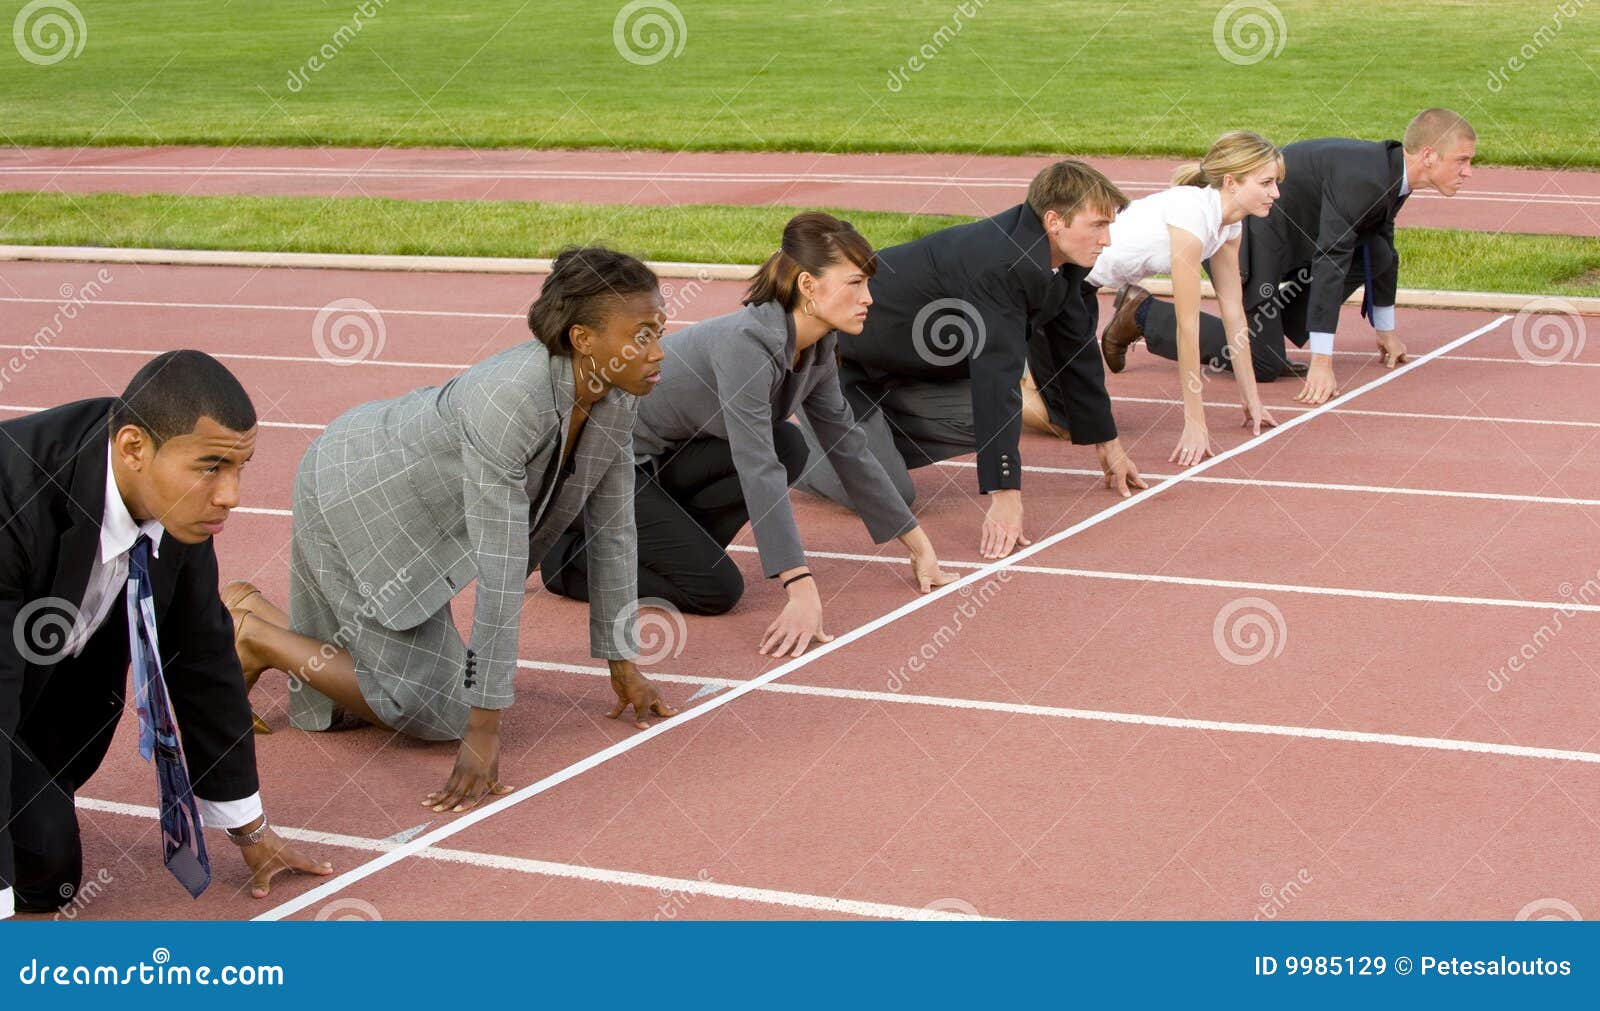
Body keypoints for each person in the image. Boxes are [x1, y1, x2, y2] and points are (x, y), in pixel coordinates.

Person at [226, 248, 678, 816]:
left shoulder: (614, 396)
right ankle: (253, 635)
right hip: (360, 487)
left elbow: (614, 530)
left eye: (659, 330)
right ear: (584, 340)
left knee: (418, 688)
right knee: (438, 711)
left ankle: (253, 612)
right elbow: (501, 568)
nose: (658, 351)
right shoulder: (511, 400)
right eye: (641, 335)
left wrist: (623, 662)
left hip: (417, 506)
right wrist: (483, 730)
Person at [0, 351, 332, 917]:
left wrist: (248, 828)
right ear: (133, 448)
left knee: (49, 858)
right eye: (211, 467)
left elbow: (200, 654)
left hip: (33, 679)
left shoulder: (171, 502)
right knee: (30, 875)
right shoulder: (14, 499)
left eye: (239, 468)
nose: (231, 494)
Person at [540, 213, 957, 658]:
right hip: (604, 465)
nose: (868, 298)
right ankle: (570, 564)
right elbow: (756, 464)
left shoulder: (817, 346)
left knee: (789, 444)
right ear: (808, 287)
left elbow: (846, 444)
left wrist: (918, 547)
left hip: (662, 462)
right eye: (854, 283)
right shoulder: (746, 344)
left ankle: (667, 545)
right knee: (716, 589)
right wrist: (800, 587)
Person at [794, 160, 1148, 560]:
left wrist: (1109, 444)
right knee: (893, 492)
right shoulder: (1001, 265)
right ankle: (791, 453)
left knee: (995, 418)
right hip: (839, 366)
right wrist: (1005, 495)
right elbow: (996, 374)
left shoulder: (1063, 262)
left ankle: (861, 447)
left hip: (901, 372)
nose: (1107, 240)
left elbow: (1074, 347)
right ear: (1055, 220)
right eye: (1098, 225)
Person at [1107, 108, 1477, 405]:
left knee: (1377, 253)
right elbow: (1332, 258)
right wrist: (1322, 361)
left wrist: (1387, 330)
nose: (1468, 172)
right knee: (1265, 361)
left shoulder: (1392, 173)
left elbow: (1378, 247)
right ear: (1428, 156)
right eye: (1462, 160)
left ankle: (1266, 329)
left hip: (1285, 240)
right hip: (1251, 235)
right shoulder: (1369, 177)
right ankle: (1142, 313)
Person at [1041, 131, 1284, 466]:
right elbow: (1187, 327)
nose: (1276, 192)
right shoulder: (1192, 218)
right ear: (1232, 182)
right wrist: (1196, 423)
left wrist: (1251, 398)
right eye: (1267, 183)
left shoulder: (1229, 227)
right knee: (1067, 422)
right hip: (1052, 279)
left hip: (1083, 287)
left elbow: (1233, 312)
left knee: (1080, 410)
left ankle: (1028, 377)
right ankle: (1012, 387)